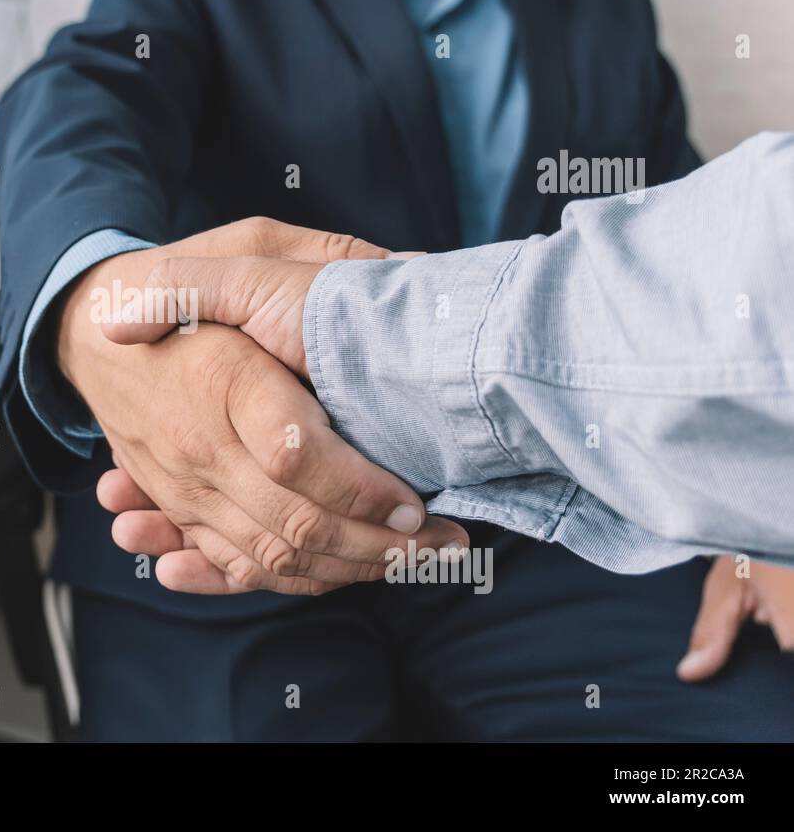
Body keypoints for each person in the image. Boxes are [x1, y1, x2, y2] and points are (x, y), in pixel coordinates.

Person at [0, 0, 793, 739]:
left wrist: (761, 520)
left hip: (541, 533)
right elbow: (86, 95)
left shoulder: (608, 9)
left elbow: (688, 290)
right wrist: (90, 297)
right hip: (231, 507)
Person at [96, 132, 794, 671]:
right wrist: (81, 306)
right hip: (239, 527)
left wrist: (752, 496)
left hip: (574, 558)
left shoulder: (608, 6)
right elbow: (76, 121)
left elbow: (687, 256)